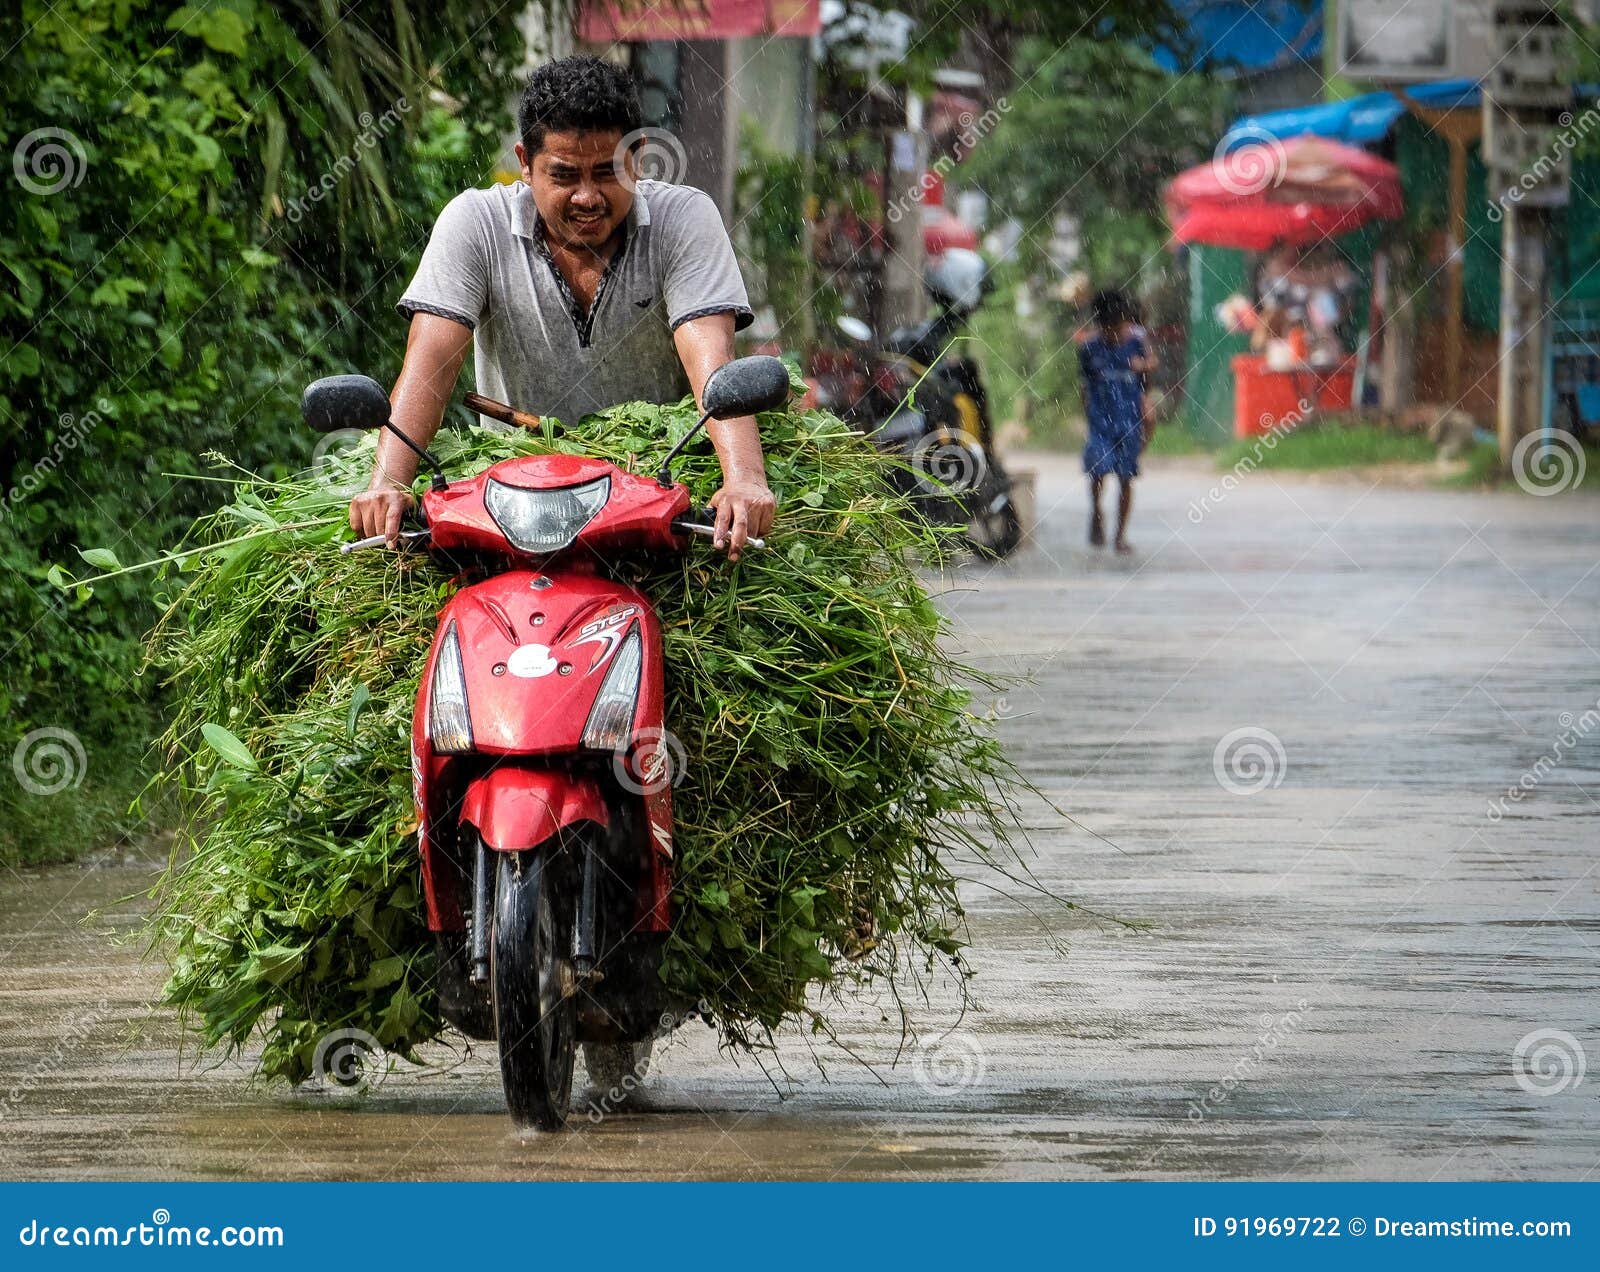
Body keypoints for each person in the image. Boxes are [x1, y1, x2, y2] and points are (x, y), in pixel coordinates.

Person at [349, 56, 776, 558]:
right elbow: (430, 363)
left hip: (660, 504)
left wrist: (744, 479)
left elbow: (711, 357)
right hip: (510, 508)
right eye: (565, 175)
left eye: (606, 172)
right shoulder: (475, 223)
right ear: (525, 164)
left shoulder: (684, 219)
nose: (588, 197)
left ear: (637, 158)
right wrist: (389, 483)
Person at [1079, 288, 1156, 553]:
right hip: (1101, 420)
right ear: (1101, 326)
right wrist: (1087, 413)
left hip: (1129, 419)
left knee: (1126, 477)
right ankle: (1096, 513)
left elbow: (1150, 369)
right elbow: (1084, 385)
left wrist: (1142, 369)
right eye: (1111, 328)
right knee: (1097, 472)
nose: (1117, 333)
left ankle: (1120, 535)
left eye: (1121, 326)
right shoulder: (1089, 348)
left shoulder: (1136, 342)